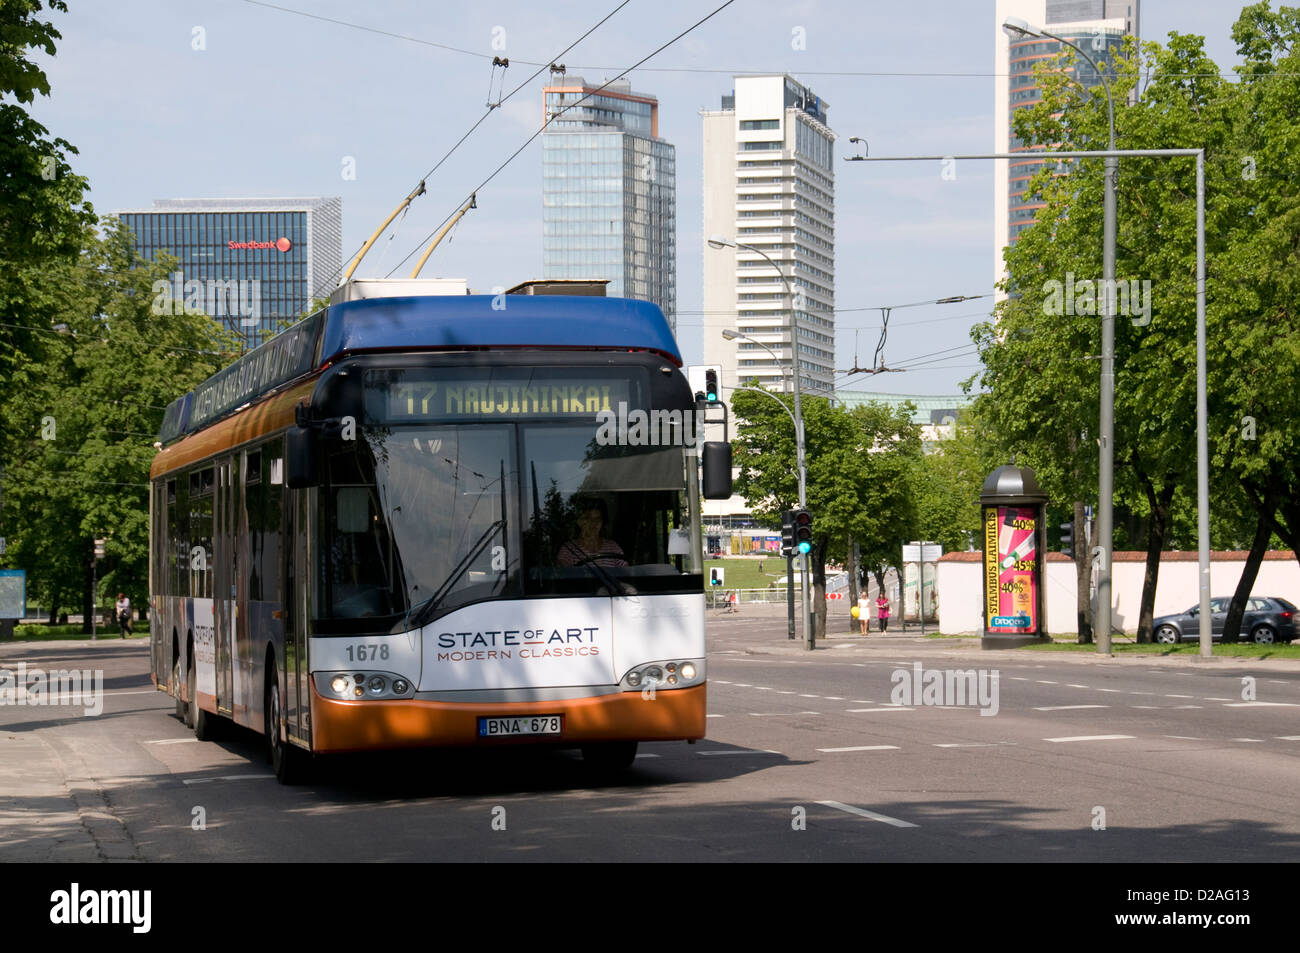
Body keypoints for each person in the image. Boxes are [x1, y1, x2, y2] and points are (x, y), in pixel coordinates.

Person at [557, 498, 628, 568]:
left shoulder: (613, 547)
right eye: (587, 518)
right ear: (579, 521)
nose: (593, 523)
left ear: (602, 522)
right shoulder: (568, 549)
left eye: (597, 518)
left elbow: (626, 574)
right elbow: (562, 575)